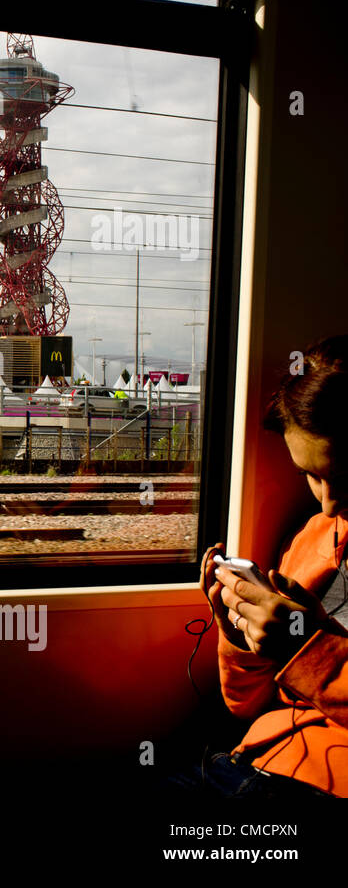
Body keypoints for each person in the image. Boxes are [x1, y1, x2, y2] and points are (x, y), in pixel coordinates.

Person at [189, 334, 348, 796]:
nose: (329, 503)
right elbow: (248, 707)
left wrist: (307, 650)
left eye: (345, 477)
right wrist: (240, 637)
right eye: (310, 476)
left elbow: (310, 662)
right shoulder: (312, 539)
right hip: (254, 759)